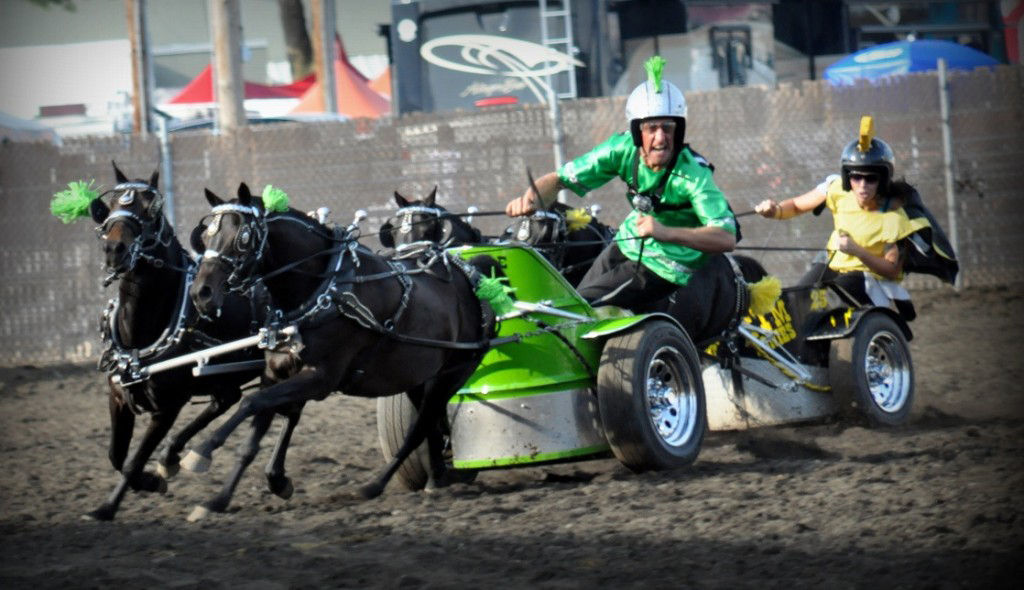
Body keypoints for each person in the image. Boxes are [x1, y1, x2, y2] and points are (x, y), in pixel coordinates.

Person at [505, 56, 738, 313]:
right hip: (627, 243)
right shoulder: (621, 149)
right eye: (651, 128)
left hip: (665, 264)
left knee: (581, 310)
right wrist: (532, 199)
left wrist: (665, 232)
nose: (660, 138)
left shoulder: (694, 175)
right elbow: (558, 180)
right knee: (573, 302)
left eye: (668, 128)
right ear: (638, 132)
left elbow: (726, 237)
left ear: (679, 131)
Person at [754, 115, 958, 320]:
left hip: (867, 276)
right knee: (797, 298)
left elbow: (892, 269)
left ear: (883, 180)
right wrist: (775, 210)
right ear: (846, 177)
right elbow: (797, 206)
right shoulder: (836, 190)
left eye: (870, 179)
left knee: (829, 298)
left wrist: (858, 251)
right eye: (856, 177)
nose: (862, 185)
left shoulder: (894, 216)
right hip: (832, 263)